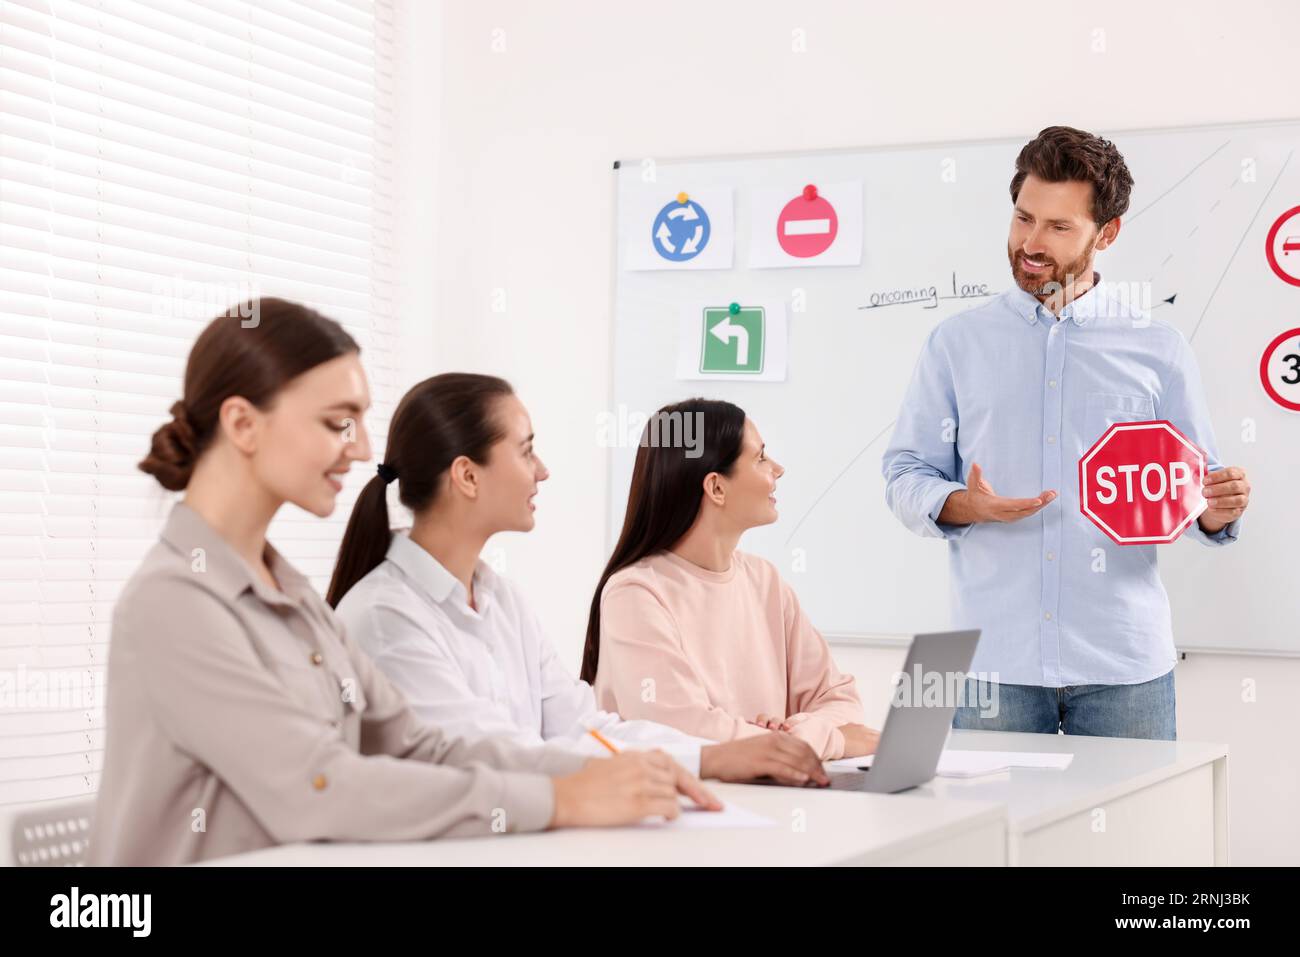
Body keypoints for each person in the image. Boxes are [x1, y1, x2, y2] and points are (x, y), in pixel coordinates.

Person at [89, 299, 716, 866]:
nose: (362, 449)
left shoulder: (291, 596)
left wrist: (618, 774)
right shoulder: (173, 603)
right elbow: (322, 788)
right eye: (338, 422)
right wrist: (561, 798)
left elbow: (421, 747)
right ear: (244, 424)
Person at [881, 126, 1251, 739]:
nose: (1030, 242)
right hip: (989, 663)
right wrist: (961, 503)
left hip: (1124, 663)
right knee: (989, 836)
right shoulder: (957, 344)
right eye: (1024, 217)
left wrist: (1216, 510)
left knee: (1131, 836)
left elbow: (1192, 493)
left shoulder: (1158, 351)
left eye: (1059, 227)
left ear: (1107, 233)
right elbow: (904, 473)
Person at [329, 374, 829, 788]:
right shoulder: (385, 617)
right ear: (467, 475)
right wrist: (707, 759)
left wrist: (716, 757)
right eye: (526, 452)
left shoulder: (503, 600)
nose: (543, 471)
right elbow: (494, 757)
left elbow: (583, 727)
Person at [585, 398, 879, 761]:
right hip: (686, 810)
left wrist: (795, 732)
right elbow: (683, 730)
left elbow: (839, 699)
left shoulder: (764, 581)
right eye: (760, 458)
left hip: (768, 797)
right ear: (717, 488)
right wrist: (819, 741)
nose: (778, 469)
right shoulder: (635, 594)